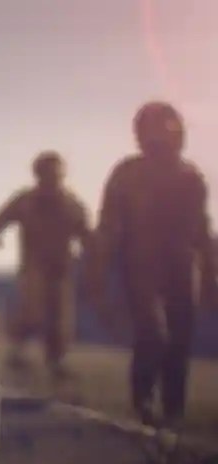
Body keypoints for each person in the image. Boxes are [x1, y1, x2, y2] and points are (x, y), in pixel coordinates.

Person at [93, 101, 217, 429]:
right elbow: (108, 226)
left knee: (180, 339)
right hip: (140, 266)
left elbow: (202, 229)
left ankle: (173, 408)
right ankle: (144, 399)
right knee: (151, 334)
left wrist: (210, 272)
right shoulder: (127, 174)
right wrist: (99, 272)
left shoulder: (191, 176)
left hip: (181, 266)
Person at [0, 151, 97, 381]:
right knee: (31, 311)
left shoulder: (70, 203)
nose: (50, 179)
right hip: (33, 267)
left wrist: (93, 259)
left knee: (60, 318)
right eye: (46, 174)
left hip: (61, 269)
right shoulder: (26, 200)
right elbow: (0, 219)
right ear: (38, 174)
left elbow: (86, 233)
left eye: (54, 174)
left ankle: (56, 362)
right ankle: (16, 353)